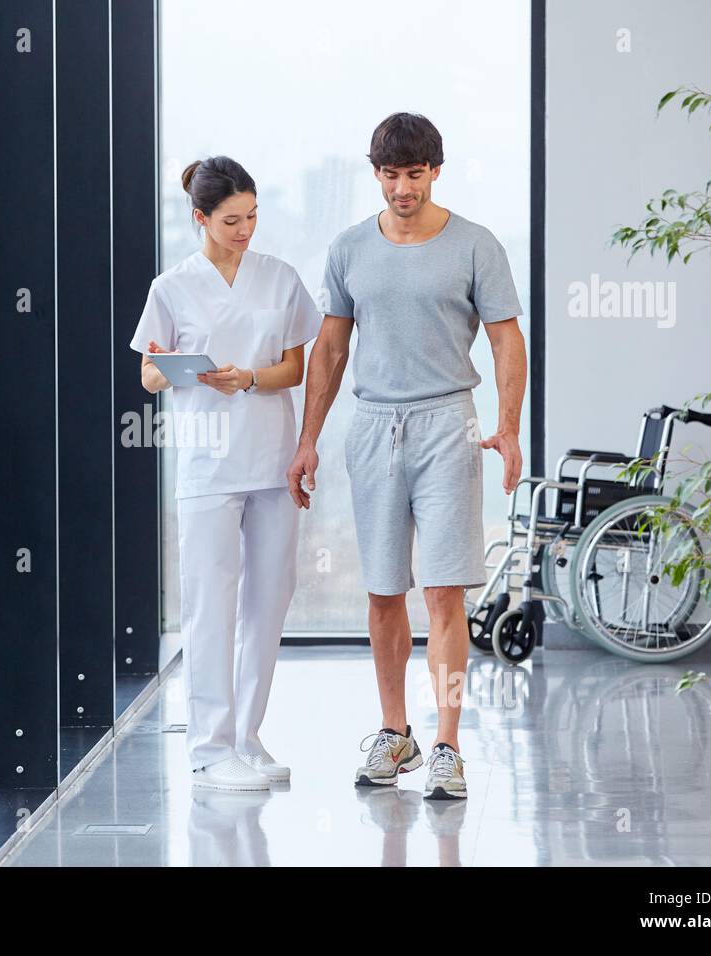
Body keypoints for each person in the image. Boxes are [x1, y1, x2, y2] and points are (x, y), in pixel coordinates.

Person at [287, 113, 527, 800]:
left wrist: (508, 428)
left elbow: (508, 342)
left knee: (445, 590)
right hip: (373, 424)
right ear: (376, 174)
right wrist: (308, 441)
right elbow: (331, 350)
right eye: (390, 175)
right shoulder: (349, 247)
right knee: (384, 591)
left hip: (448, 422)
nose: (402, 189)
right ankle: (397, 734)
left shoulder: (475, 246)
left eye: (414, 175)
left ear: (435, 171)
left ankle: (448, 742)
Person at [129, 156, 322, 792]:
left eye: (253, 217)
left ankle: (247, 737)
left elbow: (296, 367)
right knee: (210, 604)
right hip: (208, 463)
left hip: (271, 457)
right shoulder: (172, 287)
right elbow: (150, 375)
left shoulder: (280, 278)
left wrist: (247, 378)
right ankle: (210, 749)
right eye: (232, 220)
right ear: (200, 219)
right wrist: (185, 367)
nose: (245, 230)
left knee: (268, 601)